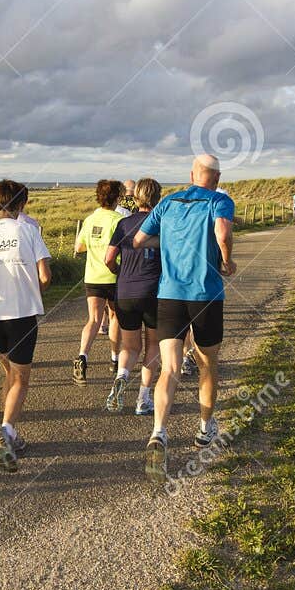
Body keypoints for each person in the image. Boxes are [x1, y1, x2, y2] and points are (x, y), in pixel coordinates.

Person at [135, 154, 236, 481]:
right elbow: (222, 233)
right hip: (205, 295)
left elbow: (138, 240)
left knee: (170, 369)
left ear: (193, 174)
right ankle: (205, 428)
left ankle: (159, 432)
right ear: (217, 178)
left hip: (169, 295)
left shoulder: (167, 202)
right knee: (208, 363)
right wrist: (227, 261)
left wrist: (167, 245)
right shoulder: (219, 201)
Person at [0, 180, 53, 471]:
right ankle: (5, 431)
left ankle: (9, 431)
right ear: (22, 203)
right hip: (22, 314)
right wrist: (31, 289)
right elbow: (45, 277)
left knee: (10, 374)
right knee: (21, 379)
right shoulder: (29, 231)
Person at [103, 177, 163, 416]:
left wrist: (120, 272)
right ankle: (143, 398)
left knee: (130, 345)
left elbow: (108, 259)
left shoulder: (123, 224)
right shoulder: (162, 224)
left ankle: (122, 376)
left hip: (125, 290)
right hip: (154, 290)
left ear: (135, 197)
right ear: (158, 198)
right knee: (153, 344)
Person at [74, 180, 125, 384]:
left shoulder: (90, 219)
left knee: (93, 319)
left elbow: (79, 247)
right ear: (118, 198)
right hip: (114, 276)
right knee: (115, 318)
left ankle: (82, 356)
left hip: (93, 276)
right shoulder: (119, 220)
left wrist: (95, 247)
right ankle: (114, 359)